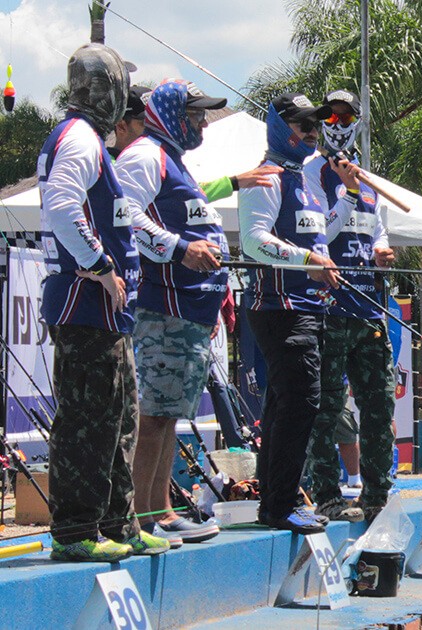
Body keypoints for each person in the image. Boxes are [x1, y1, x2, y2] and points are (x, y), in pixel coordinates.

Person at [40, 44, 169, 562]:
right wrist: (99, 265)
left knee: (119, 419)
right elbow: (61, 204)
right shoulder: (78, 139)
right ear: (107, 86)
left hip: (109, 315)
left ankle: (120, 523)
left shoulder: (91, 140)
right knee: (87, 422)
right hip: (84, 308)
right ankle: (75, 531)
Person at [119, 79, 228, 546]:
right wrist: (180, 247)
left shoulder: (173, 160)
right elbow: (125, 215)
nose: (202, 122)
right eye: (196, 113)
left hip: (189, 313)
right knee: (154, 415)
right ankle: (141, 516)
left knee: (167, 414)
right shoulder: (145, 155)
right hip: (162, 309)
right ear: (168, 113)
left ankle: (160, 509)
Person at [240, 92, 351, 534]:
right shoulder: (267, 177)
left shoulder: (307, 179)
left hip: (309, 308)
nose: (312, 131)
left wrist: (349, 198)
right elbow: (253, 241)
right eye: (303, 124)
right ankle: (281, 504)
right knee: (300, 404)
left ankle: (275, 500)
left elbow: (321, 234)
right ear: (279, 127)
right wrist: (309, 262)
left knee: (287, 404)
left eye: (315, 125)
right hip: (279, 307)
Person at [300, 89, 397, 523]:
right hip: (328, 310)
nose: (338, 125)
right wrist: (349, 193)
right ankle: (327, 495)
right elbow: (320, 232)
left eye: (346, 117)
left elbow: (379, 231)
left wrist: (382, 250)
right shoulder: (311, 174)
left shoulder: (369, 178)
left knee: (379, 408)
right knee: (326, 408)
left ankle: (377, 494)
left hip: (369, 310)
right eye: (331, 118)